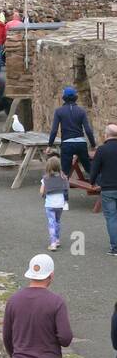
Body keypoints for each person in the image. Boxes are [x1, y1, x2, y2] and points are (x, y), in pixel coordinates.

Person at [48, 86, 96, 179]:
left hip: (67, 144)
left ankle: (63, 192)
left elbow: (54, 130)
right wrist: (93, 144)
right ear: (75, 97)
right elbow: (88, 130)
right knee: (89, 168)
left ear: (64, 97)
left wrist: (50, 145)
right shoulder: (81, 111)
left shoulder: (59, 111)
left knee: (65, 171)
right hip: (81, 143)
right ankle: (101, 187)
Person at [89, 122, 117, 254]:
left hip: (108, 189)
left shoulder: (102, 150)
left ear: (106, 135)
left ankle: (115, 247)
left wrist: (92, 182)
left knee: (111, 217)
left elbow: (94, 169)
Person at [40, 155, 69, 252]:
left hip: (50, 204)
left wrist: (43, 195)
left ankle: (53, 243)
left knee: (51, 223)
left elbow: (41, 191)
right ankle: (57, 239)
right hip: (60, 204)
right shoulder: (63, 177)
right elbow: (66, 190)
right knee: (57, 221)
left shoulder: (45, 178)